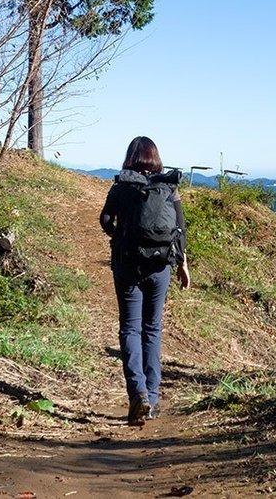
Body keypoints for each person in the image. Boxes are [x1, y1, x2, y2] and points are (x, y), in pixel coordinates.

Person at [99, 135, 191, 426]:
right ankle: (151, 396)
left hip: (127, 264)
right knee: (152, 329)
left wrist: (122, 236)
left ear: (131, 158)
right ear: (155, 158)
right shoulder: (168, 186)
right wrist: (183, 265)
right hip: (160, 267)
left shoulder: (121, 187)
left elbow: (104, 220)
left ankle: (137, 392)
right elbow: (180, 227)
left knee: (130, 328)